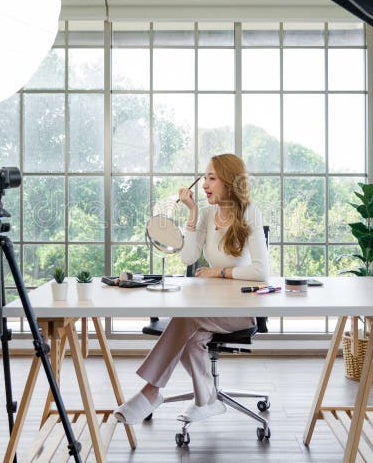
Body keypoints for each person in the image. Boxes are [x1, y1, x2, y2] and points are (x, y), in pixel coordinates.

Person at [114, 153, 269, 425]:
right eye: (204, 178)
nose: (205, 185)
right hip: (208, 309)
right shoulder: (207, 215)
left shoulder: (249, 214)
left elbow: (260, 273)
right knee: (191, 336)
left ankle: (152, 392)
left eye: (211, 178)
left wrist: (219, 272)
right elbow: (187, 258)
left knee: (186, 319)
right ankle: (206, 400)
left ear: (229, 182)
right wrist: (193, 214)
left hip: (241, 310)